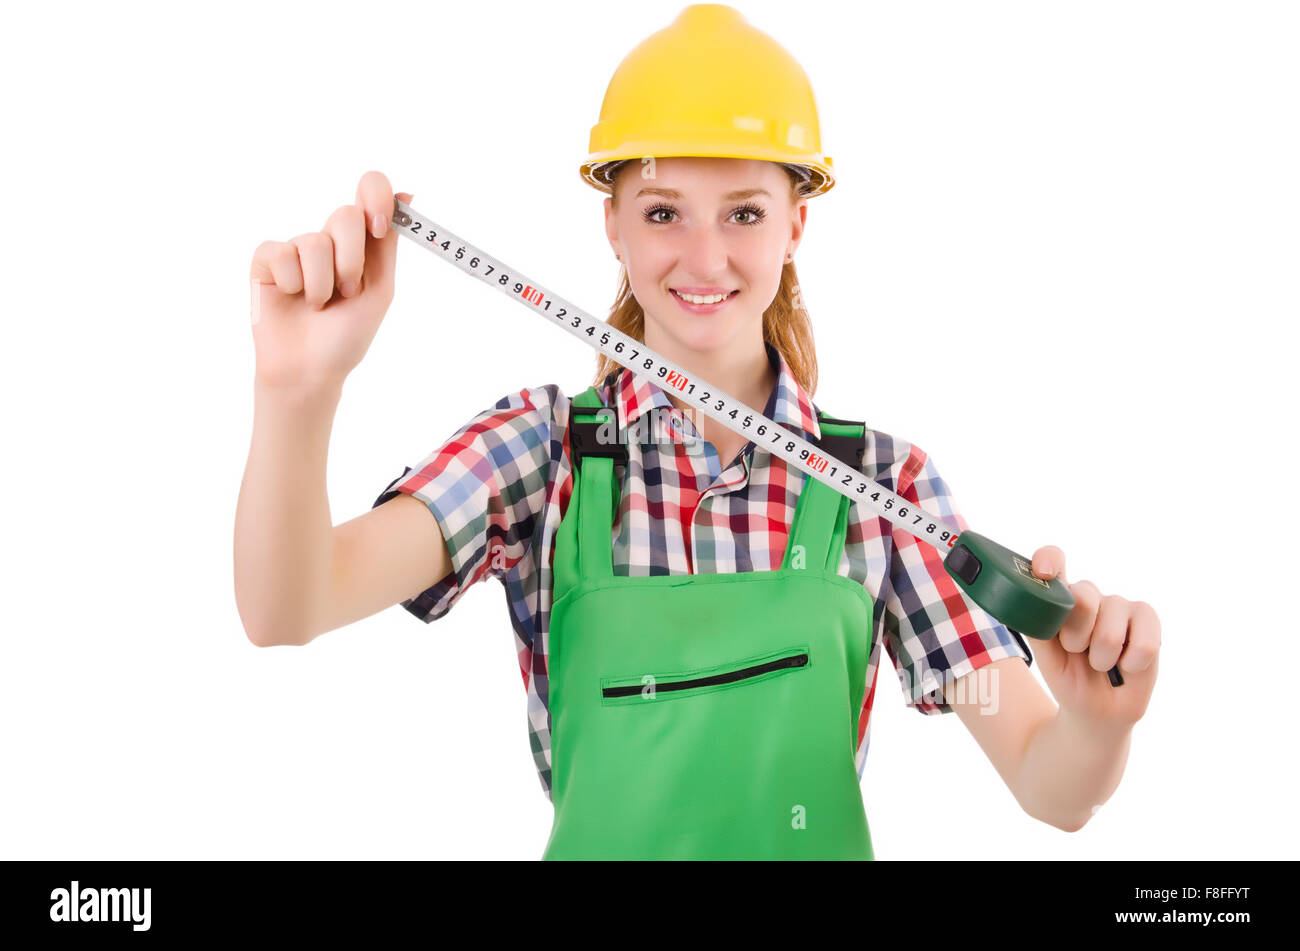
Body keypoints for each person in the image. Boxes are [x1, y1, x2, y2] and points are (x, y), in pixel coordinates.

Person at [235, 4, 1161, 860]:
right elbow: (291, 604)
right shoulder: (540, 454)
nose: (705, 257)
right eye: (663, 212)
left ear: (797, 223)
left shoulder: (883, 486)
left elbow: (1047, 779)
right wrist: (297, 391)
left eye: (746, 214)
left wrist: (1094, 727)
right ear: (614, 226)